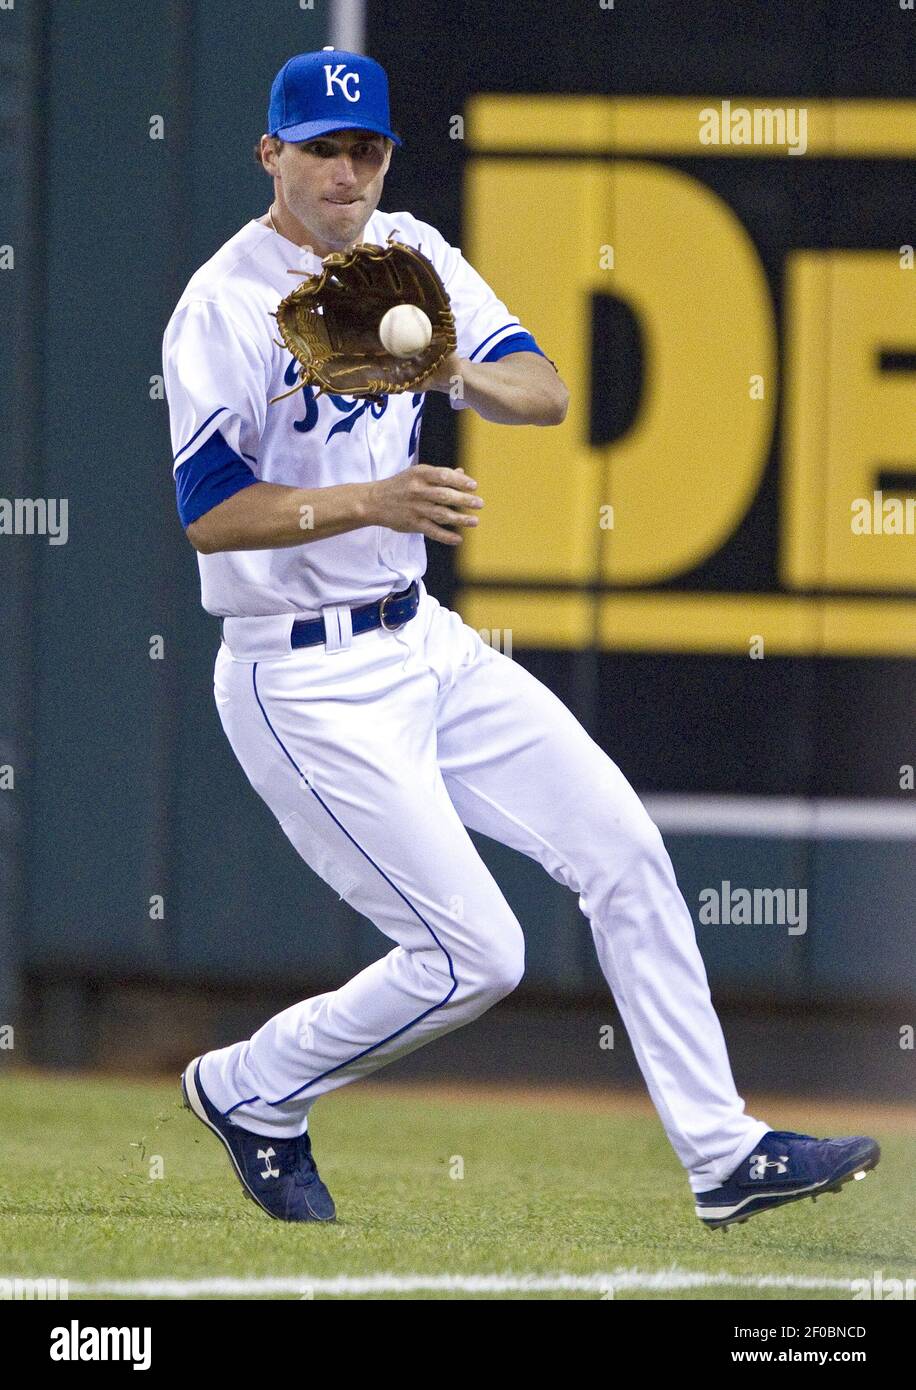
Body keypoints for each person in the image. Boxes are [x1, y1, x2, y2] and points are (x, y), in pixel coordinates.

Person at [164, 48, 879, 1227]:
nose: (345, 172)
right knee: (474, 956)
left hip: (422, 643)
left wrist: (442, 364)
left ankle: (722, 1155)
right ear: (269, 154)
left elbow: (541, 389)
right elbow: (209, 515)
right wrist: (375, 500)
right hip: (300, 679)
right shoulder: (223, 305)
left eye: (367, 149)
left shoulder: (416, 255)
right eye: (320, 148)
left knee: (625, 852)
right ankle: (250, 1085)